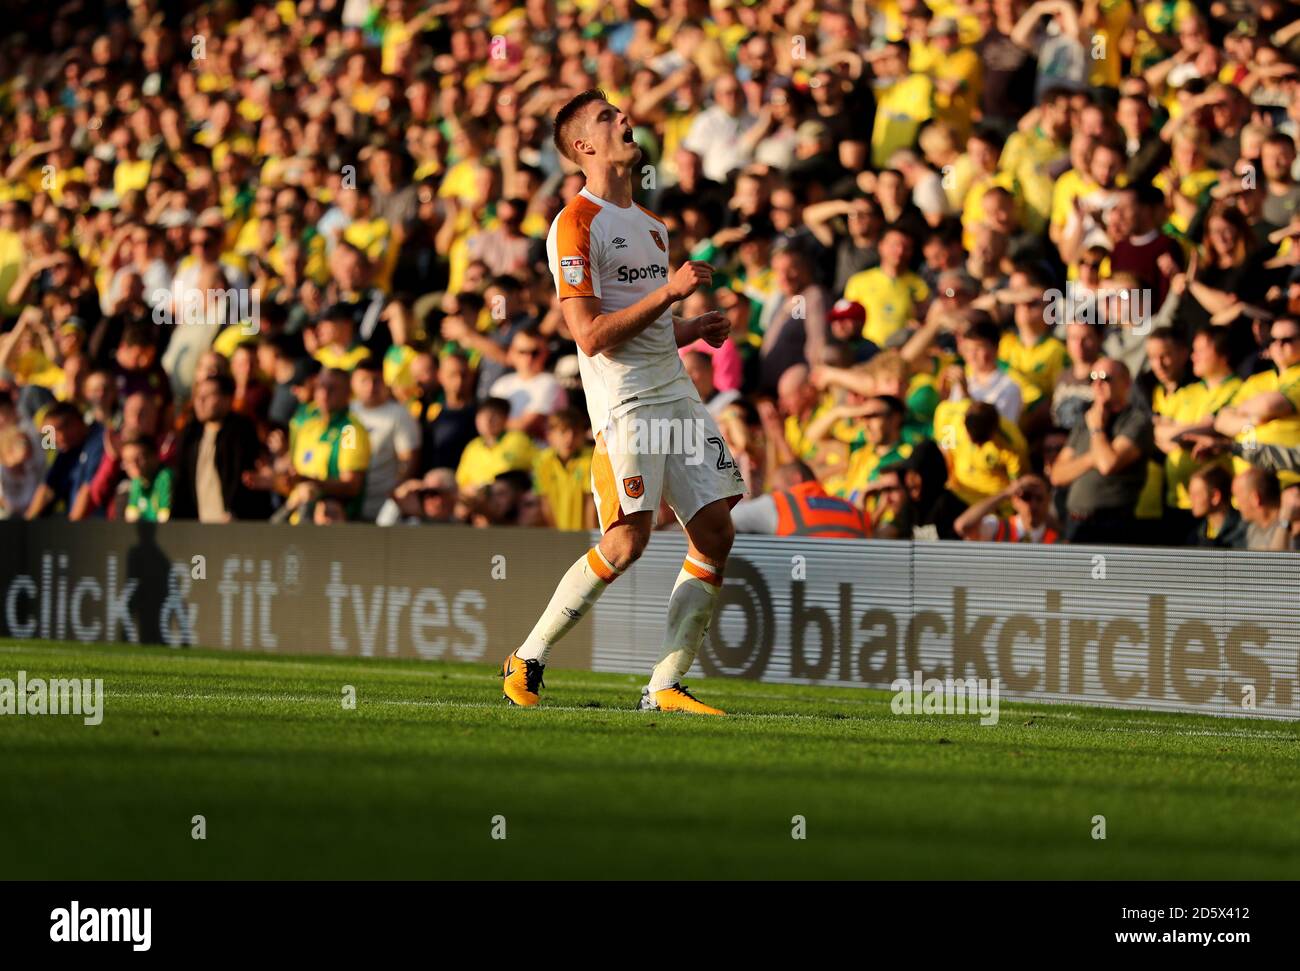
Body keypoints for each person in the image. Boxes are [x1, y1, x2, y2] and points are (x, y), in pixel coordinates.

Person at [503, 89, 745, 716]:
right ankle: (527, 657)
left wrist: (691, 329)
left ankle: (665, 685)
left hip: (675, 390)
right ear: (584, 146)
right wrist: (669, 294)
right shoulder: (573, 225)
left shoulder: (652, 225)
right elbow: (589, 335)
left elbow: (643, 326)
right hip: (627, 403)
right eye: (609, 117)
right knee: (627, 541)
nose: (625, 119)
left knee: (716, 530)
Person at [1050, 358, 1154, 544]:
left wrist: (1097, 430)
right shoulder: (1086, 420)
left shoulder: (1136, 420)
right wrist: (1093, 458)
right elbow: (1057, 474)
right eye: (1093, 378)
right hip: (1075, 523)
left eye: (1105, 378)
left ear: (1126, 383)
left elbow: (1107, 465)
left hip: (1113, 525)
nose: (1097, 384)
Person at [731, 461, 868, 538]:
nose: (772, 493)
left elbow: (725, 517)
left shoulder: (781, 503)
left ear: (796, 478)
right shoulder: (854, 510)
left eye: (775, 488)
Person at [954, 474, 1061, 543]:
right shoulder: (997, 527)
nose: (1032, 504)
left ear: (1048, 501)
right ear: (1014, 501)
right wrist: (1005, 493)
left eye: (1039, 498)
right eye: (1026, 497)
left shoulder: (1056, 535)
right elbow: (962, 526)